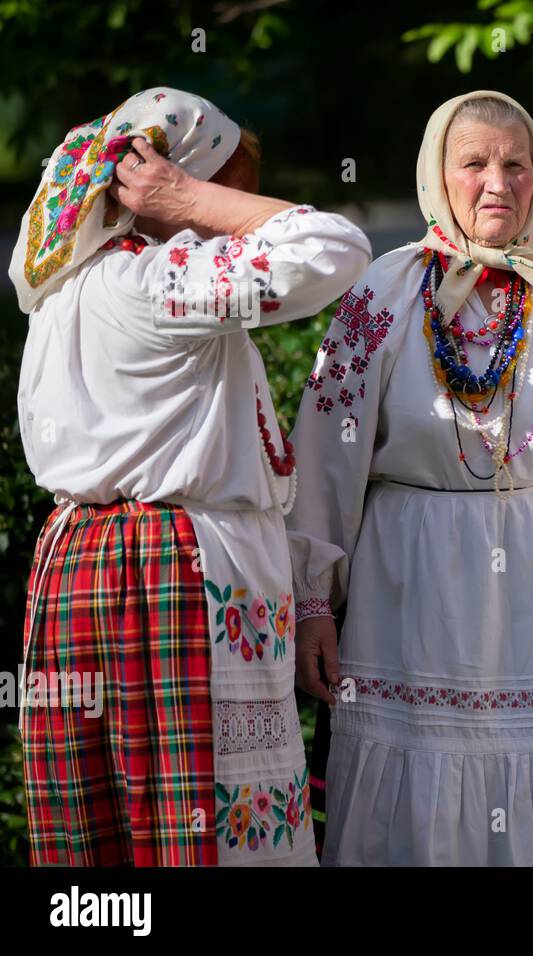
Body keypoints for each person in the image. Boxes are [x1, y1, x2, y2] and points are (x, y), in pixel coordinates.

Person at [286, 91, 533, 866]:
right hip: (409, 601)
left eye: (516, 163)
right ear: (438, 174)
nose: (499, 181)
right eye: (475, 163)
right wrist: (313, 602)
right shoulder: (382, 297)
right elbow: (326, 456)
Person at [14, 87, 371, 865]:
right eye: (223, 193)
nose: (231, 216)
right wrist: (188, 198)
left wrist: (188, 199)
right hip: (170, 566)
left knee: (102, 824)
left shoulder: (61, 296)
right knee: (198, 824)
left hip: (75, 562)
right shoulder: (157, 283)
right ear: (155, 185)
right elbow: (338, 248)